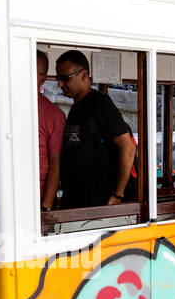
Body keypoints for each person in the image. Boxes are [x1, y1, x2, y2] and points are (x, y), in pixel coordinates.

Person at [54, 49, 137, 210]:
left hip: (98, 202)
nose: (60, 84)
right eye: (58, 78)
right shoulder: (76, 107)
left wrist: (117, 195)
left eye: (65, 78)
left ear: (83, 75)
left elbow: (128, 147)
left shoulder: (100, 103)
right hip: (76, 201)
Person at [36, 50, 65, 210]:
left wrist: (46, 206)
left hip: (40, 198)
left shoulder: (54, 115)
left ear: (42, 78)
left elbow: (56, 164)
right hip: (8, 194)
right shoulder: (5, 107)